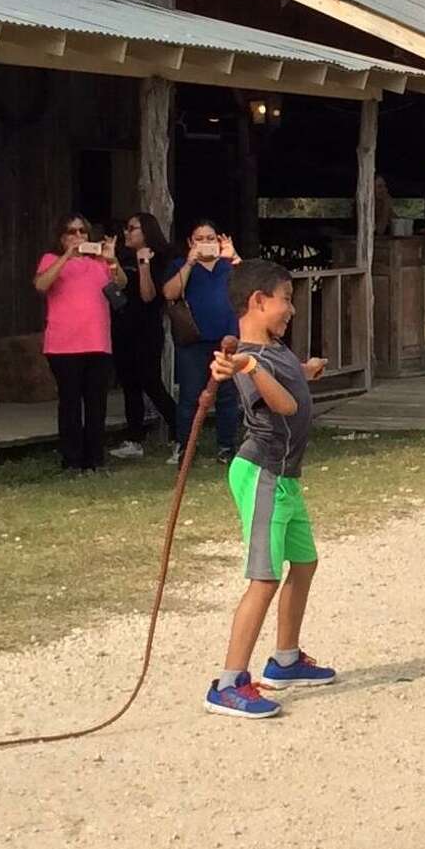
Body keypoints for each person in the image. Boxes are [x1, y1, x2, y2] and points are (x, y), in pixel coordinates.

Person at [203, 258, 332, 720]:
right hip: (262, 474)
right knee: (265, 577)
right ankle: (228, 683)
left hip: (286, 477)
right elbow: (284, 402)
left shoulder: (271, 350)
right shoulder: (246, 360)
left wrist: (309, 368)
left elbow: (293, 376)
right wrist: (252, 367)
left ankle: (286, 659)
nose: (291, 310)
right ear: (259, 302)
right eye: (286, 300)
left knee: (306, 562)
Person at [34, 213, 126, 472]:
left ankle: (95, 459)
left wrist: (112, 259)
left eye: (82, 232)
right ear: (61, 237)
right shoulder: (51, 259)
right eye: (71, 232)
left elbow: (121, 285)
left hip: (97, 342)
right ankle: (71, 459)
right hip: (63, 345)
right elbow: (41, 284)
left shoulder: (98, 264)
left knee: (97, 404)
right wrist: (67, 256)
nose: (78, 237)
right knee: (70, 402)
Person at [161, 218, 243, 464]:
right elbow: (169, 293)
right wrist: (189, 262)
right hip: (193, 341)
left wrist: (235, 258)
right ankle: (186, 447)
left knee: (228, 396)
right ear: (190, 242)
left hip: (227, 340)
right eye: (199, 239)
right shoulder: (180, 264)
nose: (206, 243)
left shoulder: (230, 266)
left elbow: (252, 289)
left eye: (211, 238)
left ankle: (226, 448)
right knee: (191, 396)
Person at [109, 211, 178, 459]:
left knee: (151, 382)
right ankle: (134, 439)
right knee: (129, 384)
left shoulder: (161, 258)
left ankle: (182, 433)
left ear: (146, 231)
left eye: (132, 228)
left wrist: (144, 264)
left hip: (147, 330)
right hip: (122, 326)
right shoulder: (122, 256)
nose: (127, 232)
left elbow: (149, 296)